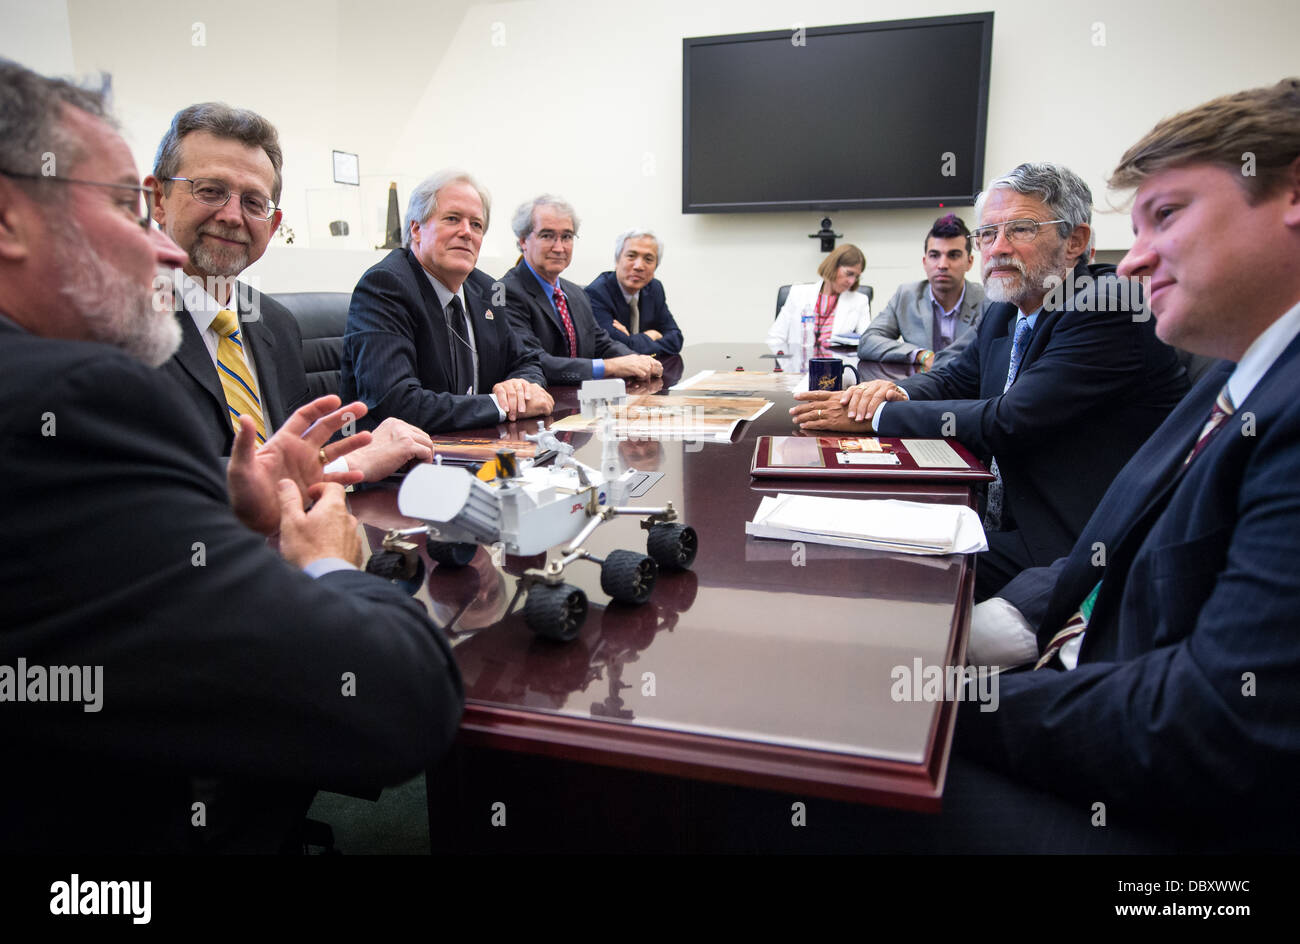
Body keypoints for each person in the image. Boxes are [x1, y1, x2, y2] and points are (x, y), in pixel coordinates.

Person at [0, 59, 463, 853]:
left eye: (254, 201)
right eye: (128, 206)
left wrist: (248, 509)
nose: (169, 252)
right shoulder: (86, 376)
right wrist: (328, 563)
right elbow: (402, 701)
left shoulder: (269, 324)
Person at [958, 78, 1300, 851]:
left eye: (1167, 215)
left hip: (1180, 820)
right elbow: (1120, 545)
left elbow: (1217, 723)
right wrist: (1006, 624)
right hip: (1080, 683)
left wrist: (947, 703)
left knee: (787, 786)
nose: (1136, 261)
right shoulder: (1233, 369)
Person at [791, 163, 1189, 601]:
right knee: (842, 530)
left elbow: (1011, 418)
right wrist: (890, 393)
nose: (998, 248)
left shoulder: (1108, 304)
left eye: (1020, 229)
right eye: (987, 234)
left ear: (1075, 240)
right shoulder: (1007, 305)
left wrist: (879, 417)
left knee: (871, 567)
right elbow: (954, 377)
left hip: (1066, 546)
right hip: (995, 510)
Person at [148, 103, 432, 479]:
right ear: (157, 200)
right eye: (211, 191)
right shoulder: (113, 322)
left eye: (253, 202)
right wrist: (341, 465)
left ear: (274, 223)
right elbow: (153, 477)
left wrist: (364, 446)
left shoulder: (276, 323)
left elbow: (289, 456)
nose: (232, 216)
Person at [341, 170, 553, 431]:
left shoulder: (486, 289)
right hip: (401, 464)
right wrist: (500, 406)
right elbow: (395, 404)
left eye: (476, 225)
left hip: (475, 449)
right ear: (416, 229)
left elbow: (527, 361)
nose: (467, 233)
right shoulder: (386, 286)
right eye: (453, 219)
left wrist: (520, 388)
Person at [500, 195, 663, 386]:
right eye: (547, 236)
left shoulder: (576, 293)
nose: (559, 247)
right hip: (540, 405)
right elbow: (535, 361)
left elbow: (601, 343)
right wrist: (609, 366)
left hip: (584, 403)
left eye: (567, 237)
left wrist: (638, 360)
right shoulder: (504, 292)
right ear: (523, 241)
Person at [857, 214, 986, 370]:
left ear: (969, 262)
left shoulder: (987, 301)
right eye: (934, 255)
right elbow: (868, 341)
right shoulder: (906, 295)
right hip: (921, 389)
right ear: (925, 262)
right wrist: (921, 355)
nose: (942, 265)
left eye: (953, 255)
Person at [585, 228, 683, 357]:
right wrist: (652, 335)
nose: (638, 266)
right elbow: (613, 349)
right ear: (617, 260)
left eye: (648, 259)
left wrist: (632, 340)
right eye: (631, 256)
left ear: (655, 267)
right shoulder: (596, 293)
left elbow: (676, 339)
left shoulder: (654, 288)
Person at [767, 244, 872, 356]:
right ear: (833, 266)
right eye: (849, 274)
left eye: (856, 277)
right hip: (799, 369)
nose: (851, 281)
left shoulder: (860, 301)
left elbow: (867, 343)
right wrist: (788, 370)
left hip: (838, 369)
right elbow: (775, 339)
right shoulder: (798, 293)